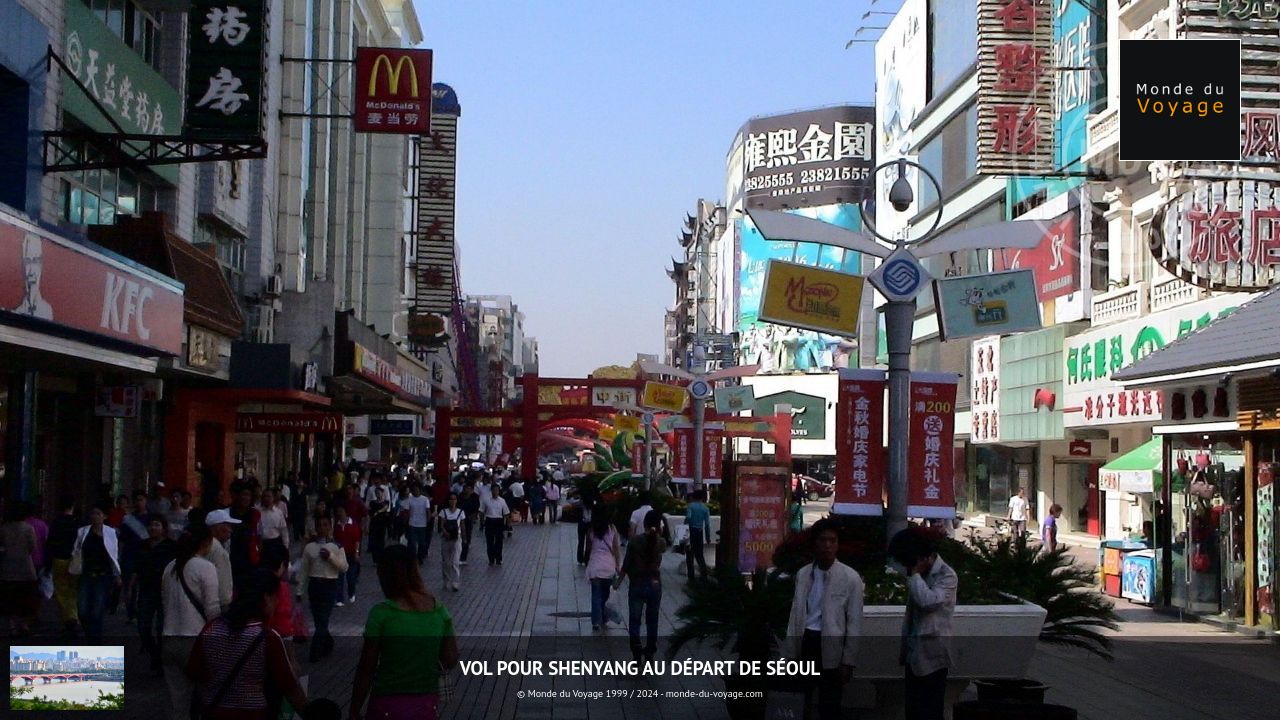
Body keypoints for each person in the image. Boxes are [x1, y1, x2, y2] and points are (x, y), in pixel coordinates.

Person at [349, 544, 459, 720]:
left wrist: (354, 710)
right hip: (425, 704)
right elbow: (451, 658)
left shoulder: (381, 614)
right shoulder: (439, 611)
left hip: (386, 704)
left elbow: (366, 668)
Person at [187, 569, 309, 720]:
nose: (277, 602)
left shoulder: (211, 628)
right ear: (266, 598)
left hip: (212, 712)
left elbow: (194, 672)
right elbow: (289, 687)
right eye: (275, 597)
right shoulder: (268, 638)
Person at [782, 518, 864, 720]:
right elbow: (796, 613)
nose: (827, 545)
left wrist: (848, 660)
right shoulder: (804, 574)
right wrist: (789, 654)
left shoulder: (850, 578)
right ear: (815, 544)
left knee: (830, 704)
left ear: (837, 544)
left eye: (832, 540)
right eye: (823, 540)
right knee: (801, 700)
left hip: (831, 646)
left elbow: (854, 622)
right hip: (806, 641)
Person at [891, 527, 958, 720]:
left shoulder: (947, 575)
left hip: (933, 654)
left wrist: (915, 575)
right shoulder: (918, 574)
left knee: (930, 709)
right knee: (913, 709)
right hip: (913, 653)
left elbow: (927, 601)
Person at [161, 527, 222, 719]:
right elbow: (212, 608)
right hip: (196, 640)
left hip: (169, 638)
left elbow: (164, 601)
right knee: (208, 695)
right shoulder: (206, 567)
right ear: (206, 543)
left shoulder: (170, 566)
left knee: (178, 702)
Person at [617, 509, 667, 663]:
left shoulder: (635, 541)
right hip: (654, 584)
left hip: (637, 584)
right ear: (659, 525)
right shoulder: (661, 542)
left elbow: (626, 565)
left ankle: (636, 650)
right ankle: (650, 650)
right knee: (652, 620)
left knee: (635, 620)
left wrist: (617, 583)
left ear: (644, 523)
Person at [299, 513, 348, 662]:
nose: (322, 528)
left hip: (329, 585)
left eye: (325, 525)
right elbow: (304, 570)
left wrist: (331, 557)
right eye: (319, 525)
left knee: (323, 619)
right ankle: (328, 642)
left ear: (330, 527)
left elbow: (344, 567)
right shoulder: (310, 547)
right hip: (314, 586)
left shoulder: (337, 546)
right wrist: (300, 590)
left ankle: (315, 650)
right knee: (319, 619)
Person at [71, 503, 123, 643]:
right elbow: (76, 550)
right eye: (93, 513)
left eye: (98, 514)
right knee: (82, 609)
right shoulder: (83, 531)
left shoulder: (110, 533)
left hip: (103, 574)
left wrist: (116, 574)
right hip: (86, 573)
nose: (95, 516)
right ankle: (90, 634)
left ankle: (95, 639)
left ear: (104, 516)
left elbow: (114, 553)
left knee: (97, 609)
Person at [134, 514, 177, 673]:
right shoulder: (142, 545)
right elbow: (136, 568)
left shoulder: (171, 546)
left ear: (164, 528)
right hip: (146, 589)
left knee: (161, 628)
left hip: (164, 590)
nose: (153, 528)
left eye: (157, 525)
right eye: (151, 525)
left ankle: (159, 659)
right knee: (143, 627)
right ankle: (154, 654)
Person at [1, 503, 39, 635]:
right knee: (26, 597)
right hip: (25, 567)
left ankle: (12, 624)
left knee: (10, 597)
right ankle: (23, 624)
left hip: (8, 567)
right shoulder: (28, 528)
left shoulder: (4, 528)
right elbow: (33, 546)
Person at [46, 494, 81, 636]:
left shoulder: (56, 522)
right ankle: (73, 616)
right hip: (74, 560)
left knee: (61, 590)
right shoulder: (78, 522)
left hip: (59, 559)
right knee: (74, 590)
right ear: (73, 505)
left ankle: (68, 618)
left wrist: (47, 562)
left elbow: (50, 542)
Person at [586, 508, 623, 631]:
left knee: (596, 596)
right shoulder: (612, 529)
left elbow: (589, 549)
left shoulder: (591, 530)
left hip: (595, 567)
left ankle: (596, 621)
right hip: (608, 567)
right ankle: (604, 618)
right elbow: (616, 548)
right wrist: (618, 565)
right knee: (606, 595)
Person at [202, 509, 240, 611]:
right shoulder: (218, 550)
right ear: (217, 527)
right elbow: (224, 591)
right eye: (228, 526)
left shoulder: (203, 544)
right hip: (216, 606)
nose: (230, 530)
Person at [334, 504, 362, 605]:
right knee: (340, 577)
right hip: (340, 554)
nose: (340, 513)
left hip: (351, 553)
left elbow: (357, 540)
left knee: (351, 577)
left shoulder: (353, 524)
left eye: (341, 511)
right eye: (338, 511)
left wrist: (357, 552)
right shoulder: (336, 525)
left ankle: (351, 593)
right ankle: (339, 598)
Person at [438, 493, 465, 592]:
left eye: (454, 499)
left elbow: (462, 525)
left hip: (456, 538)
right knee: (445, 562)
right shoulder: (443, 512)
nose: (452, 501)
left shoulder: (461, 512)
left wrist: (464, 537)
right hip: (445, 538)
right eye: (450, 499)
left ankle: (455, 582)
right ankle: (446, 581)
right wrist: (445, 533)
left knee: (455, 561)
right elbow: (441, 525)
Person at [684, 490, 712, 581]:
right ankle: (704, 574)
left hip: (691, 531)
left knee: (690, 554)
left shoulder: (690, 506)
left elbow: (688, 517)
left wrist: (684, 526)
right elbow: (707, 524)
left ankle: (691, 576)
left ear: (694, 497)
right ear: (702, 498)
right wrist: (708, 537)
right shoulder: (705, 509)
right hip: (699, 532)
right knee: (700, 554)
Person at [481, 482, 511, 566]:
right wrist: (482, 522)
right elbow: (482, 511)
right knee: (489, 541)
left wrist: (508, 524)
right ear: (491, 491)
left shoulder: (502, 501)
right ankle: (491, 559)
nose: (495, 492)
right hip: (489, 521)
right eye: (494, 490)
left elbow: (506, 513)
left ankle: (498, 558)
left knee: (499, 541)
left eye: (497, 490)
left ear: (499, 491)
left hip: (499, 521)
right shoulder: (486, 500)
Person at [404, 484, 434, 564]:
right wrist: (406, 522)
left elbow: (428, 511)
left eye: (417, 489)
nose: (415, 491)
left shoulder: (425, 499)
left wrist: (428, 520)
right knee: (412, 543)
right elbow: (407, 512)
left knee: (422, 543)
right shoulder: (409, 500)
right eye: (414, 490)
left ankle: (420, 557)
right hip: (412, 524)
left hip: (422, 524)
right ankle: (413, 558)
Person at [259, 488, 289, 557]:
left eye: (268, 496)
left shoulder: (278, 513)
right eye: (264, 496)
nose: (266, 498)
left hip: (274, 543)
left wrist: (285, 547)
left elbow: (284, 531)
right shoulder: (257, 511)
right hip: (261, 544)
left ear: (273, 498)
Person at [367, 485, 393, 564]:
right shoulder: (372, 503)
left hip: (382, 524)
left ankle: (381, 557)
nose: (378, 494)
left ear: (382, 493)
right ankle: (375, 559)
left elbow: (385, 508)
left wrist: (378, 512)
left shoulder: (386, 502)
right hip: (374, 524)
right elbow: (370, 513)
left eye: (379, 493)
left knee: (381, 542)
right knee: (374, 542)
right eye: (376, 493)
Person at [459, 483, 481, 564]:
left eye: (469, 489)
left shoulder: (474, 497)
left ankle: (463, 557)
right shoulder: (460, 497)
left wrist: (473, 516)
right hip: (459, 519)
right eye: (466, 488)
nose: (467, 490)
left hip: (468, 520)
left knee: (466, 537)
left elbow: (476, 508)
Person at [577, 497, 594, 565]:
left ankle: (582, 558)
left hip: (585, 524)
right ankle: (585, 558)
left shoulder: (582, 503)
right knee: (587, 542)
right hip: (587, 524)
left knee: (583, 541)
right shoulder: (591, 505)